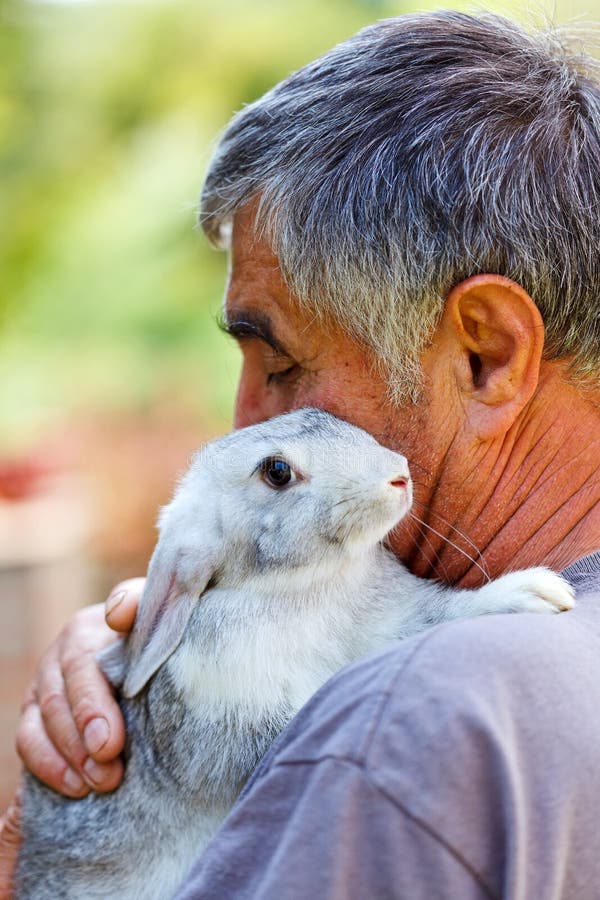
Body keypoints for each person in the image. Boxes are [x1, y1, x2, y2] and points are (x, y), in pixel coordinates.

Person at [2, 9, 600, 898]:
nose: (244, 423)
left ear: (487, 355)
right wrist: (169, 696)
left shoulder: (397, 738)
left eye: (280, 363)